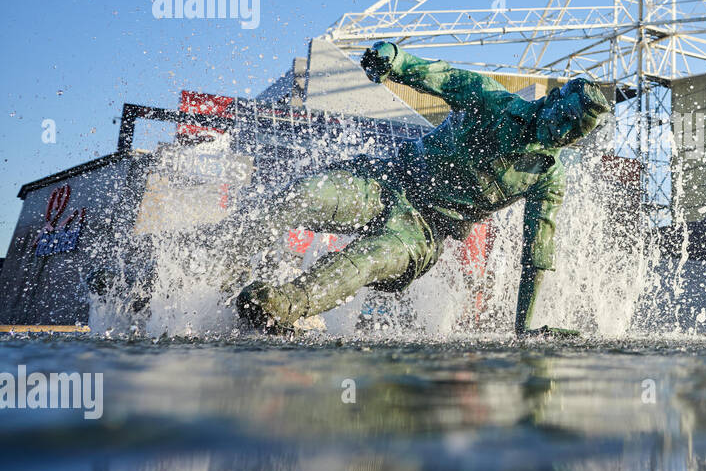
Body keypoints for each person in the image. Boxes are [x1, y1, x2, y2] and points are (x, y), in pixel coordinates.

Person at [213, 41, 611, 334]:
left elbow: (535, 256)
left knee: (368, 258)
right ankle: (215, 265)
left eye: (575, 134)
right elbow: (438, 76)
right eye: (566, 118)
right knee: (300, 196)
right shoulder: (490, 99)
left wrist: (525, 331)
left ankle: (283, 307)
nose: (563, 134)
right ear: (555, 99)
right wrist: (393, 58)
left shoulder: (547, 176)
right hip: (388, 179)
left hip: (422, 230)